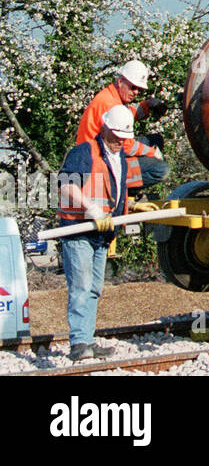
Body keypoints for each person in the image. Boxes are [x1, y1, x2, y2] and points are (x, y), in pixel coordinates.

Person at [57, 104, 136, 360]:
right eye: (115, 136)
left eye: (123, 138)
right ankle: (80, 344)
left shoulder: (121, 158)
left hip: (102, 233)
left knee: (94, 288)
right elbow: (65, 185)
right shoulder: (85, 152)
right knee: (80, 286)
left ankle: (87, 340)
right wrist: (90, 208)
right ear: (103, 129)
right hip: (78, 230)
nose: (119, 142)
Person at [76, 59, 169, 198]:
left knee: (155, 140)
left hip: (104, 152)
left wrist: (147, 106)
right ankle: (119, 190)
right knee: (161, 170)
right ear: (120, 82)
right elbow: (123, 145)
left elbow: (125, 117)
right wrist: (151, 153)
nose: (136, 92)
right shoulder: (108, 104)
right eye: (133, 87)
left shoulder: (110, 96)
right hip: (98, 164)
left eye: (139, 89)